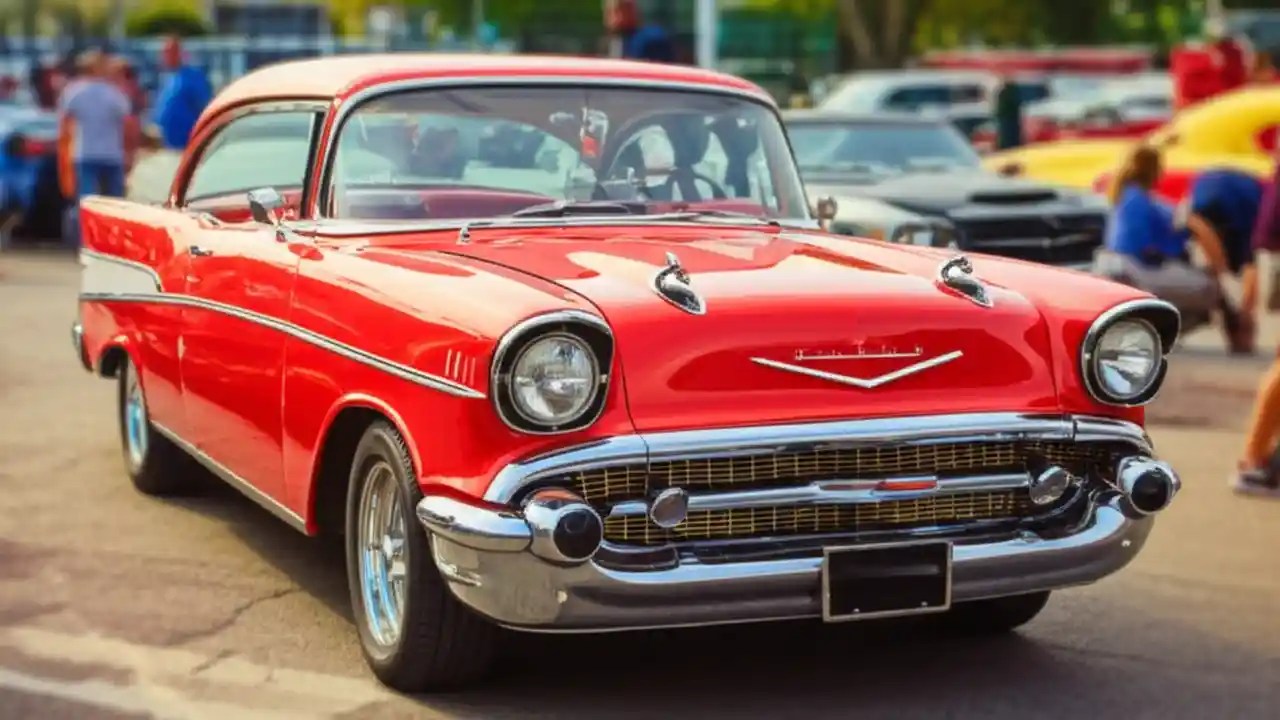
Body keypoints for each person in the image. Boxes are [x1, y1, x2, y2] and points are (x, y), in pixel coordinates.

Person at [1098, 146, 1224, 333]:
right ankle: (1163, 330)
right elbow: (1153, 244)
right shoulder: (1142, 200)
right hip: (1133, 267)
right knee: (1209, 288)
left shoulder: (1126, 194)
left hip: (1110, 263)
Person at [1179, 168, 1265, 353]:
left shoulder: (1238, 229)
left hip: (1209, 185)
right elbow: (1251, 269)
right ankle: (1239, 321)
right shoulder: (1244, 225)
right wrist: (1246, 312)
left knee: (1220, 266)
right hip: (1231, 192)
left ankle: (1238, 321)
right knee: (1230, 265)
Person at [57, 50, 130, 202]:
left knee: (86, 202)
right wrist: (129, 153)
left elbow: (65, 127)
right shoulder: (114, 93)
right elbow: (128, 123)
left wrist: (64, 159)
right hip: (112, 155)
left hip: (85, 153)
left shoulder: (74, 92)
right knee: (115, 204)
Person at [153, 36, 213, 150]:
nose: (167, 57)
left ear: (181, 53)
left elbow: (205, 107)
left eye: (171, 52)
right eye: (165, 53)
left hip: (187, 146)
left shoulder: (193, 77)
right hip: (167, 145)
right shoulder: (166, 78)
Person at [607, 0, 675, 63]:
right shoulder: (617, 42)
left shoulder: (651, 39)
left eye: (615, 12)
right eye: (609, 13)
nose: (612, 19)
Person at [993, 74, 1023, 150]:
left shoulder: (1005, 92)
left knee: (1007, 137)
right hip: (1010, 118)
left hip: (1007, 118)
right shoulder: (1013, 92)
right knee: (1011, 137)